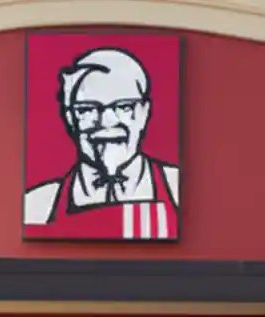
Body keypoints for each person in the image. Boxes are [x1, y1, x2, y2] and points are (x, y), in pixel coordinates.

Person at [24, 47, 180, 240]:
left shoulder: (177, 188)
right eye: (88, 109)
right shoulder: (37, 206)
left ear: (144, 113)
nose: (106, 121)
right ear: (70, 117)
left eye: (124, 107)